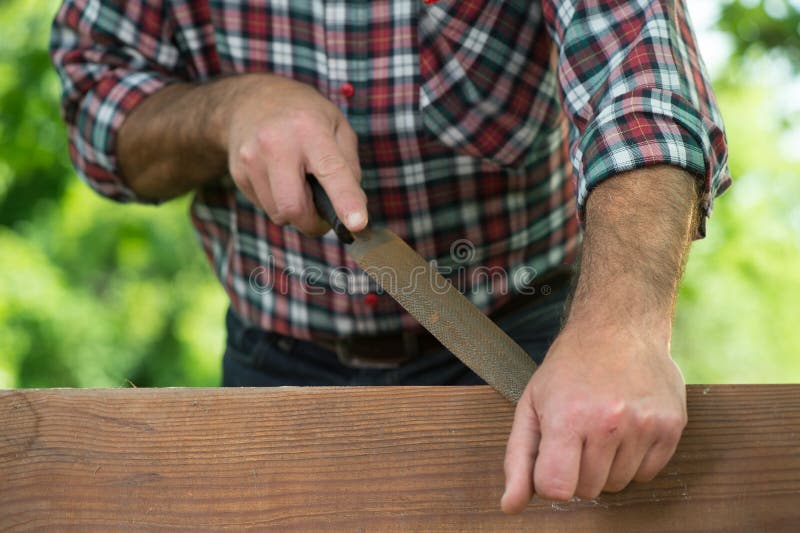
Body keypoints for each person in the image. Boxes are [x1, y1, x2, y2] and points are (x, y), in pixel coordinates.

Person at [50, 0, 730, 513]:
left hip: (535, 357)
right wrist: (228, 111)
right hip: (273, 362)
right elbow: (95, 97)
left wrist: (622, 327)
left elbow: (642, 81)